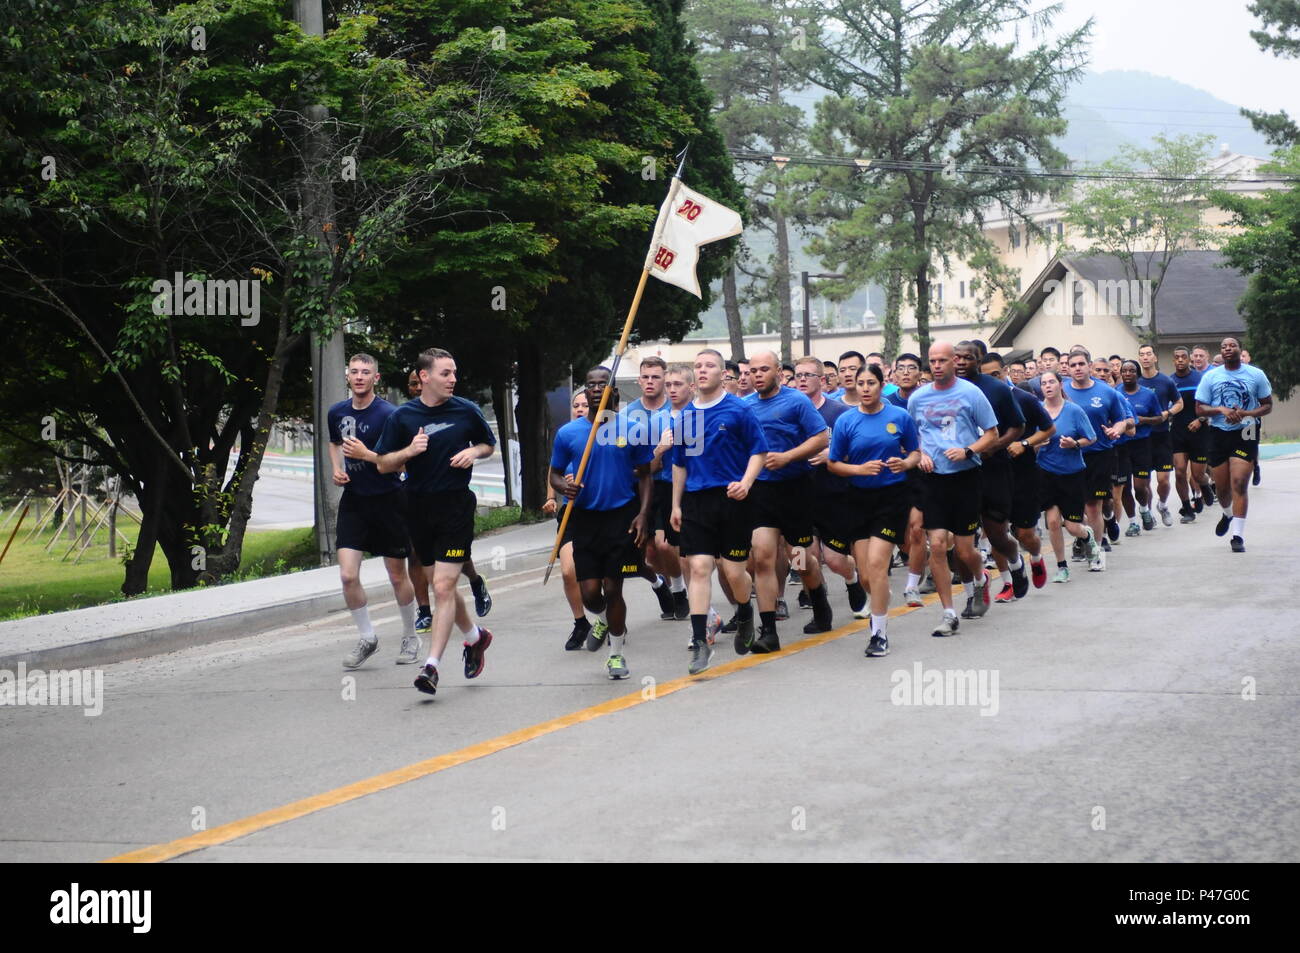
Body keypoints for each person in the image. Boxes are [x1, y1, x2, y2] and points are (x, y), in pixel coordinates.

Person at [374, 347, 496, 698]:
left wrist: (474, 451)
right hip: (416, 507)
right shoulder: (403, 417)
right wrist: (408, 452)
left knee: (442, 587)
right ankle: (475, 638)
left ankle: (431, 666)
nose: (453, 379)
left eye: (454, 372)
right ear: (424, 376)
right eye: (445, 373)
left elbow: (488, 444)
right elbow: (383, 463)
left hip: (455, 505)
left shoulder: (466, 410)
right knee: (441, 585)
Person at [550, 367, 653, 679]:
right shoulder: (569, 433)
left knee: (613, 587)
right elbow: (554, 472)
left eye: (602, 384)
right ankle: (604, 619)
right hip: (585, 518)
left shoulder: (632, 428)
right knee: (591, 594)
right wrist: (561, 487)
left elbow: (646, 475)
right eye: (591, 384)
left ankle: (616, 654)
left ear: (613, 392)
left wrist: (643, 514)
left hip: (621, 516)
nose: (596, 389)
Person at [671, 349, 767, 675]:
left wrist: (746, 482)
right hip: (697, 500)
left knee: (733, 572)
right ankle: (701, 643)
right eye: (697, 366)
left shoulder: (739, 410)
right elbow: (679, 466)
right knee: (698, 567)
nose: (702, 370)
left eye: (709, 365)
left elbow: (759, 452)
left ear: (722, 373)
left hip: (732, 498)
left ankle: (745, 610)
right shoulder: (684, 417)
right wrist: (675, 504)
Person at [330, 354, 420, 669]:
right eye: (354, 372)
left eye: (365, 372)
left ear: (375, 378)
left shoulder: (390, 415)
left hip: (389, 499)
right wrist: (336, 468)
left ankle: (410, 634)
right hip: (354, 501)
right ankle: (368, 637)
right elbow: (334, 442)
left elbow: (403, 459)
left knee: (397, 575)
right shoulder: (336, 412)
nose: (359, 377)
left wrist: (367, 456)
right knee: (347, 574)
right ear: (347, 376)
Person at [828, 364, 921, 656]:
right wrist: (858, 469)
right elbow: (833, 463)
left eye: (871, 382)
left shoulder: (899, 416)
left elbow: (915, 452)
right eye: (861, 383)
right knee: (867, 575)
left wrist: (905, 463)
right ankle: (881, 596)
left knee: (879, 564)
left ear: (882, 385)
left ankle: (879, 634)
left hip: (891, 498)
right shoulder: (846, 421)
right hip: (857, 498)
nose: (865, 388)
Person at [907, 342, 999, 637]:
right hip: (933, 479)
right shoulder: (918, 398)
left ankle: (981, 578)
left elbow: (992, 434)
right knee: (936, 544)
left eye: (942, 360)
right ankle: (948, 613)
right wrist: (920, 455)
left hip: (965, 478)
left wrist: (968, 450)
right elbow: (913, 437)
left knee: (964, 550)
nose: (936, 365)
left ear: (954, 362)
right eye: (932, 361)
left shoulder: (971, 393)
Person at [746, 350, 834, 650]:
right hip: (761, 492)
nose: (757, 375)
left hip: (795, 488)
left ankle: (819, 600)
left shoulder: (796, 401)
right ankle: (768, 630)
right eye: (753, 370)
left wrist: (787, 457)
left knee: (799, 557)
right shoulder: (745, 407)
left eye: (763, 370)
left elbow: (821, 438)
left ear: (779, 374)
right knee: (762, 556)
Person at [794, 355, 868, 618]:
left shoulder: (840, 413)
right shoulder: (788, 411)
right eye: (798, 375)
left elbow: (860, 454)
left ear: (822, 380)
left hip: (833, 495)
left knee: (835, 560)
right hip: (798, 495)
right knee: (801, 558)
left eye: (808, 375)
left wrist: (832, 455)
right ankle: (818, 604)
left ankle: (852, 580)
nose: (801, 380)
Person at [954, 342, 1025, 614]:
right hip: (956, 473)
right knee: (960, 541)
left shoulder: (995, 389)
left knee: (996, 534)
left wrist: (992, 447)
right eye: (956, 357)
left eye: (967, 358)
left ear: (978, 359)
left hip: (993, 469)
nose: (961, 362)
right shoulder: (943, 392)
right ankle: (973, 593)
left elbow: (1018, 426)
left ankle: (1016, 562)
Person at [981, 352, 1055, 600]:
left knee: (1025, 535)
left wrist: (1024, 443)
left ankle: (1035, 557)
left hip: (1024, 474)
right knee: (996, 532)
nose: (993, 380)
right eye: (986, 376)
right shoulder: (976, 400)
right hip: (993, 474)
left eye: (996, 374)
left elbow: (1048, 429)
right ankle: (1008, 581)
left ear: (1005, 372)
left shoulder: (1023, 398)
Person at [1195, 337, 1272, 552]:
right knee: (1222, 487)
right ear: (1221, 352)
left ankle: (1238, 536)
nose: (1228, 349)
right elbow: (1199, 409)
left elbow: (1267, 406)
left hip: (1247, 429)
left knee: (1239, 482)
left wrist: (1245, 413)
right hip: (1219, 432)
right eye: (1224, 347)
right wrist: (1221, 410)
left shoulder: (1255, 375)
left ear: (1240, 350)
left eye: (1233, 346)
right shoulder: (1211, 377)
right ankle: (1227, 514)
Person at [1063, 349, 1134, 571]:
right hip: (1068, 455)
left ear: (1089, 366)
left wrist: (1117, 429)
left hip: (1099, 454)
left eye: (1081, 364)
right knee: (1073, 506)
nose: (1077, 368)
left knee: (1093, 505)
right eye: (1072, 364)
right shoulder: (1061, 390)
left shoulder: (1107, 392)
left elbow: (1125, 421)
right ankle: (1083, 537)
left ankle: (1097, 551)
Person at [624, 356, 683, 620]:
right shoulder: (628, 415)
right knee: (647, 550)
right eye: (645, 377)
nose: (650, 382)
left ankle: (679, 590)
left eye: (656, 377)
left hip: (671, 486)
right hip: (641, 486)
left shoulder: (679, 409)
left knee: (665, 545)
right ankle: (665, 587)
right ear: (639, 380)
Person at [1036, 370, 1100, 583]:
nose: (1047, 386)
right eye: (1043, 383)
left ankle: (1088, 536)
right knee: (1053, 522)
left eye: (1051, 382)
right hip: (1045, 472)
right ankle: (1062, 567)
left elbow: (1091, 438)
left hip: (1072, 473)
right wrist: (1036, 445)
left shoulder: (1073, 410)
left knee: (1072, 527)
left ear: (1060, 384)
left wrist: (1074, 444)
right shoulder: (1037, 411)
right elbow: (1029, 441)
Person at [544, 390, 597, 649]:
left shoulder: (604, 433)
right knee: (568, 571)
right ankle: (580, 622)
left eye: (584, 405)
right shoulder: (566, 434)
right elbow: (553, 469)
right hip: (571, 514)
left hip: (599, 511)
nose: (579, 408)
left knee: (600, 575)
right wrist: (552, 496)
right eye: (575, 405)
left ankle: (609, 618)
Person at [889, 354, 931, 605]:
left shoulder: (927, 400)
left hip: (921, 474)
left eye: (911, 368)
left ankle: (911, 586)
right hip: (893, 475)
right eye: (900, 369)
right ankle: (926, 559)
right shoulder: (886, 403)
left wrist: (922, 453)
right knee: (903, 539)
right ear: (893, 375)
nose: (905, 373)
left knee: (917, 529)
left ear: (919, 374)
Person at [1136, 344, 1182, 526]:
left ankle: (1162, 506)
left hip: (1162, 435)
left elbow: (1179, 403)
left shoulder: (1165, 381)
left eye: (1148, 354)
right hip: (1141, 438)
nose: (1145, 357)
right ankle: (1146, 514)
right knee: (1143, 482)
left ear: (1155, 358)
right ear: (1139, 359)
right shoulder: (1135, 382)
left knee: (1163, 479)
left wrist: (1168, 413)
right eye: (1142, 355)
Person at [1119, 359, 1166, 536]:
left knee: (1140, 486)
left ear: (1137, 374)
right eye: (1125, 371)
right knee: (1124, 487)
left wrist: (1140, 420)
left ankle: (1145, 509)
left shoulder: (1148, 394)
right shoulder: (1115, 393)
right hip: (1121, 444)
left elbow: (1159, 418)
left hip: (1142, 444)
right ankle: (1132, 522)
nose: (1128, 374)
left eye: (1132, 371)